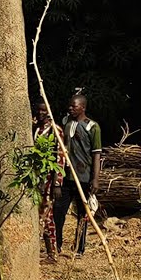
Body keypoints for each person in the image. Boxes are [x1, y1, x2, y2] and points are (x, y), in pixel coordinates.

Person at [52, 93, 102, 255]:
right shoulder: (66, 122)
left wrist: (95, 179)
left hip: (84, 178)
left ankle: (79, 248)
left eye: (74, 106)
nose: (71, 108)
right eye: (70, 106)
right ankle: (56, 245)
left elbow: (96, 154)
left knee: (82, 214)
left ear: (83, 107)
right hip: (66, 177)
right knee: (58, 211)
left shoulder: (92, 127)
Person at [31, 99, 65, 261]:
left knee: (47, 215)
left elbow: (60, 158)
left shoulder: (55, 131)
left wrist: (57, 184)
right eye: (38, 110)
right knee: (39, 215)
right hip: (36, 179)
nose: (40, 113)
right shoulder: (36, 129)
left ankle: (52, 253)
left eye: (44, 110)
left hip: (49, 180)